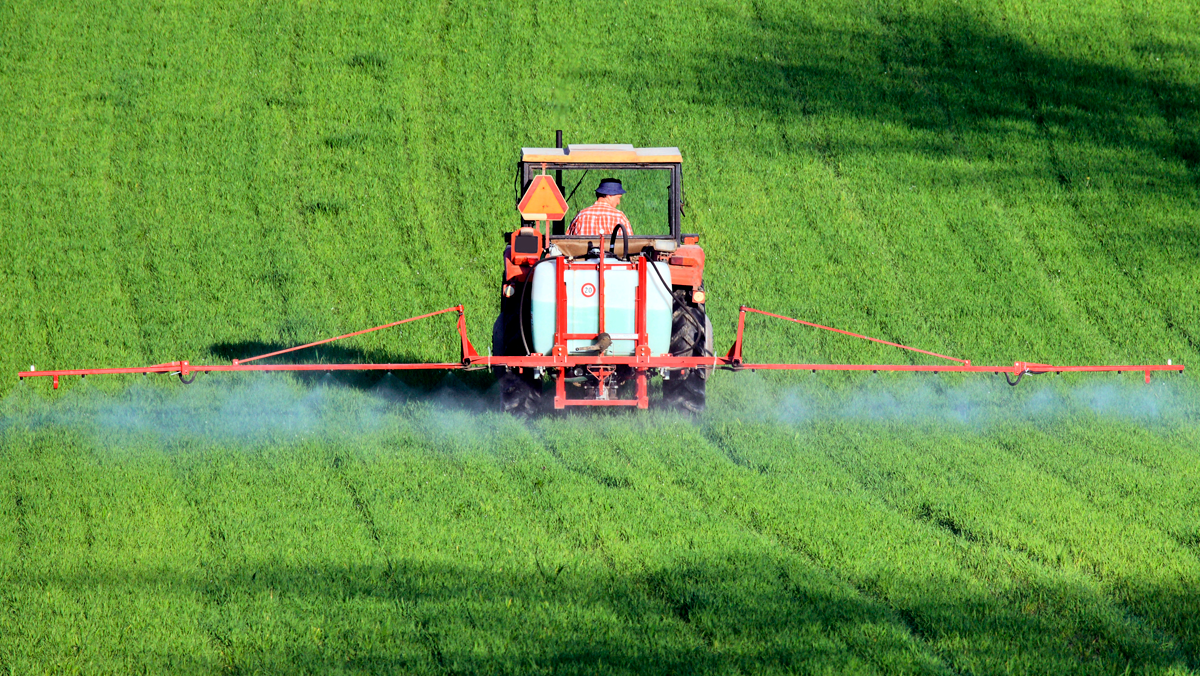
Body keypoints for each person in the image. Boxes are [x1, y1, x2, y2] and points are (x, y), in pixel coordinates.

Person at [567, 178, 632, 236]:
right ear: (609, 195)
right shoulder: (620, 217)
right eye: (618, 198)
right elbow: (630, 244)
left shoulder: (581, 216)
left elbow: (566, 242)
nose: (618, 202)